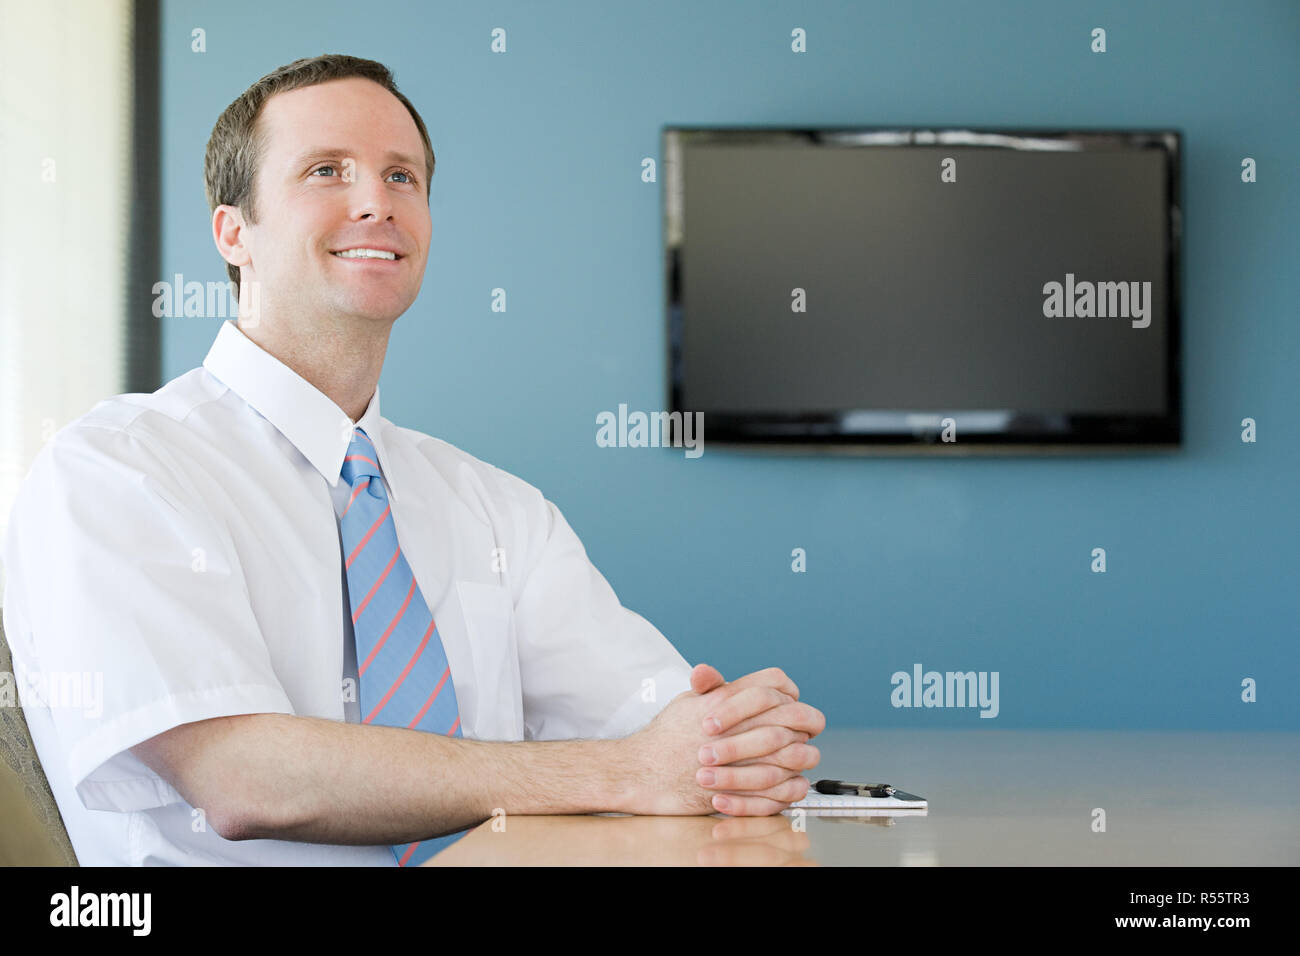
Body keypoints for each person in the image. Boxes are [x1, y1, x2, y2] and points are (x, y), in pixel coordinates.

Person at [0, 54, 824, 866]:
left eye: (402, 177)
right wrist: (626, 772)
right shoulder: (118, 470)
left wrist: (736, 739)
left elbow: (669, 730)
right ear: (234, 232)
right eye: (327, 171)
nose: (377, 202)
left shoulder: (499, 511)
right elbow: (244, 780)